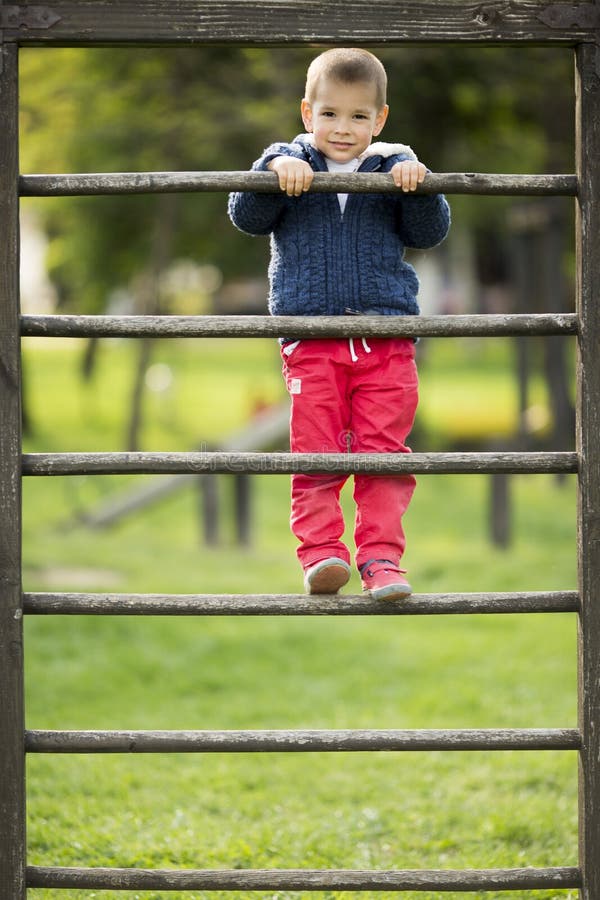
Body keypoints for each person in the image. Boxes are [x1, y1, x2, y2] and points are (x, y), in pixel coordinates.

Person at [228, 48, 450, 600]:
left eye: (358, 117)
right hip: (312, 339)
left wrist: (418, 183)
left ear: (379, 120)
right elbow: (245, 216)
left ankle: (381, 562)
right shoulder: (288, 161)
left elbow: (428, 233)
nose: (342, 129)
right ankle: (323, 556)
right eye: (329, 114)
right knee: (317, 452)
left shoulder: (395, 164)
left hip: (386, 339)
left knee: (384, 455)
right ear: (307, 113)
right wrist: (272, 171)